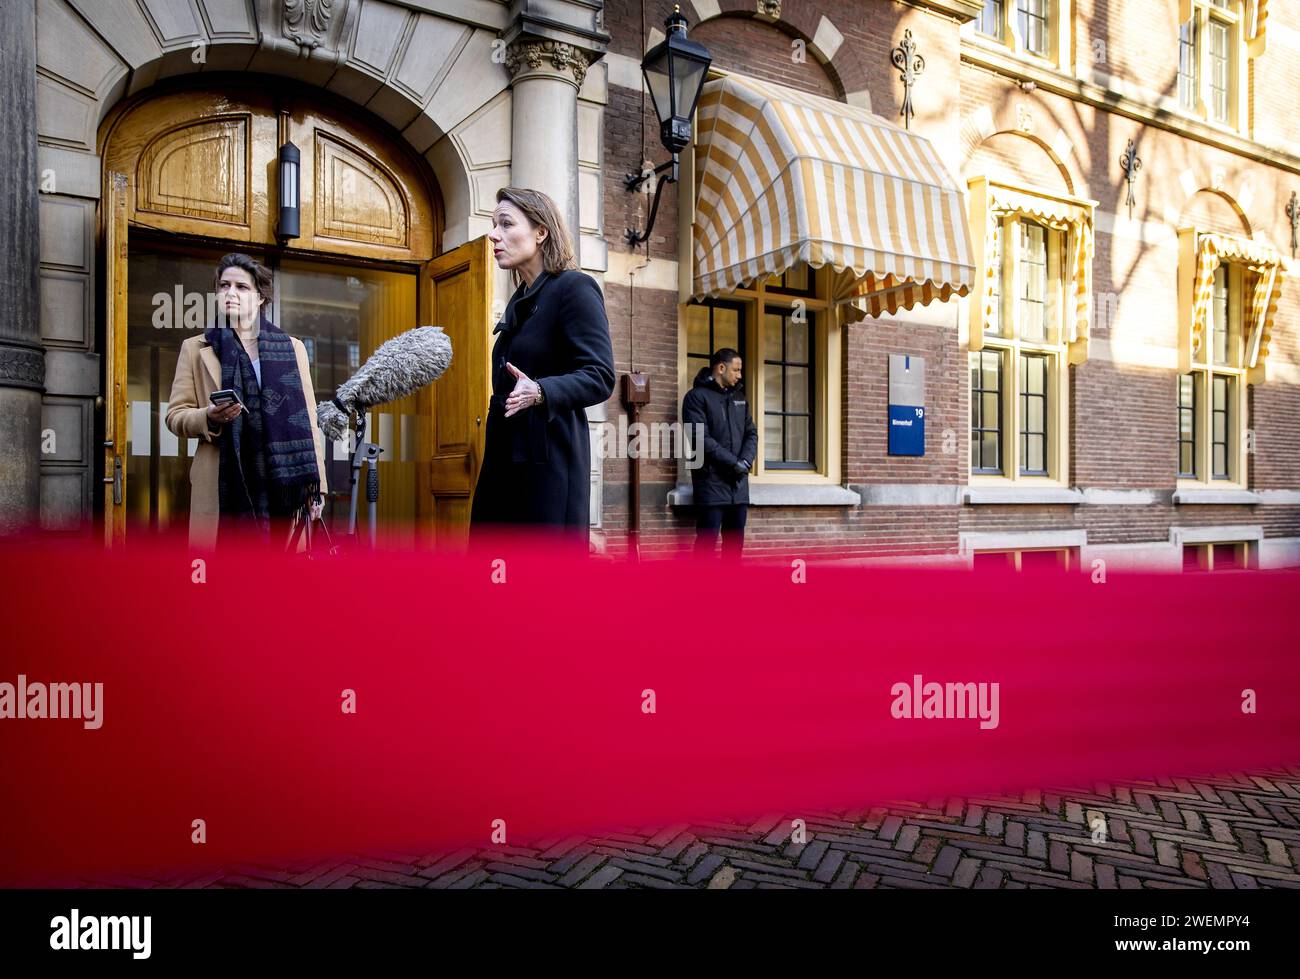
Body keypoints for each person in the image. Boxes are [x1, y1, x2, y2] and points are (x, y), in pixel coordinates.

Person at [469, 187, 616, 547]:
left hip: (549, 469)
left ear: (540, 232)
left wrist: (540, 391)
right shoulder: (520, 302)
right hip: (504, 464)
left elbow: (600, 375)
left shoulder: (574, 288)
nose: (493, 235)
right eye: (493, 225)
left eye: (506, 224)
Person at [165, 253, 328, 550]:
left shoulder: (292, 349)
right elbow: (175, 415)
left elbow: (308, 420)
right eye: (224, 285)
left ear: (260, 297)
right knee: (222, 582)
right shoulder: (196, 348)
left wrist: (317, 489)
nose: (230, 293)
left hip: (282, 481)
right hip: (222, 480)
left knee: (278, 584)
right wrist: (209, 417)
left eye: (241, 287)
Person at [681, 348, 757, 560]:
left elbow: (752, 433)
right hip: (711, 485)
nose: (740, 375)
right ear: (721, 368)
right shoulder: (695, 398)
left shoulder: (740, 398)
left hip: (738, 488)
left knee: (734, 550)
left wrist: (745, 461)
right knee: (705, 548)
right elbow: (699, 439)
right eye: (736, 370)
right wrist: (735, 463)